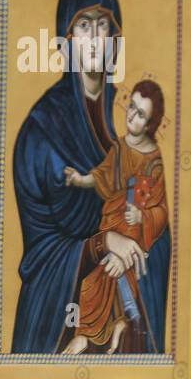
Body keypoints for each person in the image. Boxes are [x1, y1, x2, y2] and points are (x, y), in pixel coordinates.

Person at [10, 0, 171, 354]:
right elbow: (41, 250)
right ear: (66, 40)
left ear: (116, 39)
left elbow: (158, 214)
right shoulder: (42, 129)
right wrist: (103, 242)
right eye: (83, 26)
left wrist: (139, 233)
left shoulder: (133, 113)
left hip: (130, 295)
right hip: (61, 304)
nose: (96, 39)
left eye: (104, 26)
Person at [61, 79, 168, 354]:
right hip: (113, 226)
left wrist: (142, 217)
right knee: (95, 279)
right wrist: (79, 180)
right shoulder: (120, 148)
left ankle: (93, 332)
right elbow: (102, 177)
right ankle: (114, 325)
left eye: (140, 114)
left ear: (150, 124)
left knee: (101, 277)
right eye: (131, 107)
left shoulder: (155, 161)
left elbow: (161, 211)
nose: (132, 115)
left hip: (134, 234)